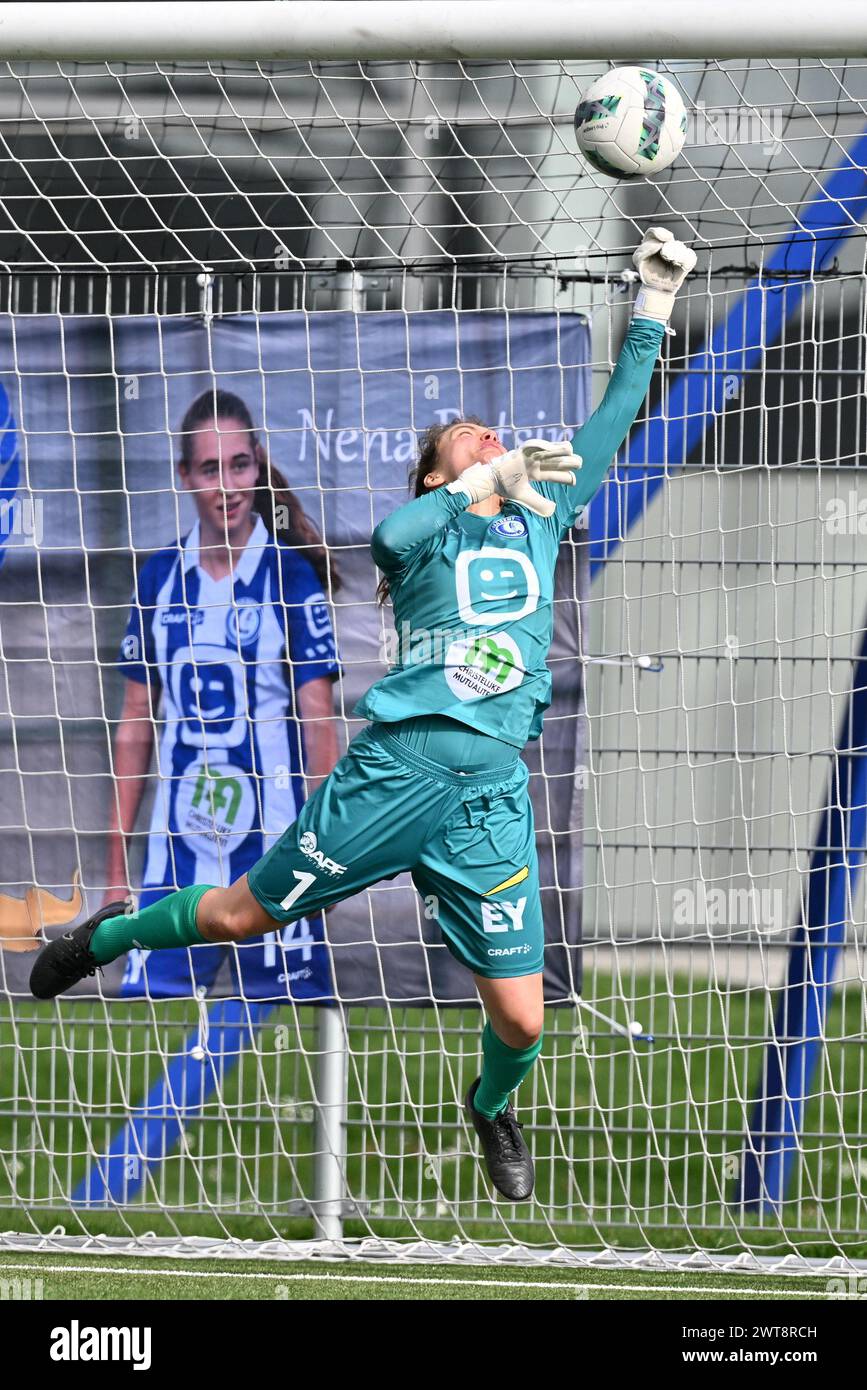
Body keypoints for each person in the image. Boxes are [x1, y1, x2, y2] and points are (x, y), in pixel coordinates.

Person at [30, 229, 696, 1202]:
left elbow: (615, 411)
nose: (490, 437)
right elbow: (390, 530)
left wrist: (652, 305)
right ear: (437, 473)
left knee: (523, 1020)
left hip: (490, 795)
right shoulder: (422, 537)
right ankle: (113, 935)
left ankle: (488, 1104)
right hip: (396, 774)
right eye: (465, 437)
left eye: (494, 434)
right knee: (236, 914)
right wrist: (481, 482)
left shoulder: (539, 513)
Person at [104, 388, 340, 1000]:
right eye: (211, 468)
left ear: (257, 463)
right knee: (144, 1023)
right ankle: (152, 1104)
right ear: (185, 476)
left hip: (273, 845)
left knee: (278, 1012)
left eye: (239, 465)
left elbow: (320, 724)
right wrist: (113, 871)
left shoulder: (289, 574)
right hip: (176, 851)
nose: (228, 484)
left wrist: (328, 854)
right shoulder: (159, 577)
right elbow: (135, 724)